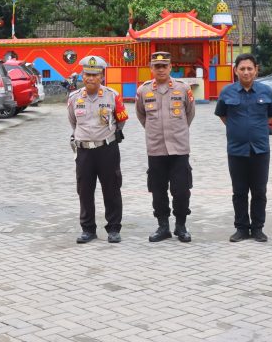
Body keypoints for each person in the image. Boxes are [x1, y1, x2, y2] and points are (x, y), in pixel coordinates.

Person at [214, 52, 272, 242]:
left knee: (259, 191)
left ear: (256, 70)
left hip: (260, 149)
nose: (246, 72)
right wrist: (239, 129)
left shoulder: (266, 92)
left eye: (250, 68)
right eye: (242, 68)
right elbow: (223, 116)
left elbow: (271, 116)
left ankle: (258, 228)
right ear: (235, 71)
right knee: (239, 191)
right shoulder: (227, 92)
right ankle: (241, 228)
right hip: (236, 150)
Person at [136, 51, 197, 243]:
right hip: (155, 149)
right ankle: (163, 226)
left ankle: (181, 226)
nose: (161, 69)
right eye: (157, 66)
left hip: (179, 149)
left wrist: (177, 131)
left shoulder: (183, 88)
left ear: (171, 67)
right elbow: (141, 116)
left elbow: (190, 114)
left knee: (181, 189)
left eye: (164, 66)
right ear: (151, 68)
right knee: (158, 189)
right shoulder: (143, 91)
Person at [68, 55, 129, 244]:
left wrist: (108, 136)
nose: (91, 78)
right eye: (87, 74)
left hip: (107, 149)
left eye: (95, 75)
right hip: (84, 151)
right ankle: (88, 229)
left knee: (111, 189)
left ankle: (113, 229)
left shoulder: (112, 95)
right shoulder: (74, 98)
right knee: (84, 190)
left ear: (102, 76)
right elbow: (73, 121)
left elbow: (121, 119)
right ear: (82, 76)